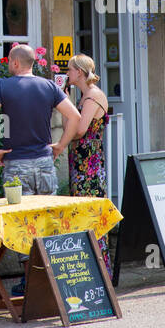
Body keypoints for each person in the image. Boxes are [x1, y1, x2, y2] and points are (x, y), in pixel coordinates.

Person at [0, 43, 81, 196]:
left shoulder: (2, 86)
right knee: (47, 216)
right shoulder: (49, 86)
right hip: (44, 162)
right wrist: (61, 145)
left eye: (9, 61)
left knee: (19, 217)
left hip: (16, 163)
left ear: (16, 62)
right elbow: (75, 116)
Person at [66, 53, 112, 273]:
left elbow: (80, 129)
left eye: (69, 70)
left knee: (90, 211)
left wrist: (61, 141)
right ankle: (89, 267)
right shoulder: (85, 96)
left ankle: (99, 270)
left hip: (89, 164)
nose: (67, 74)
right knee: (81, 210)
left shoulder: (92, 96)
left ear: (80, 73)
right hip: (82, 160)